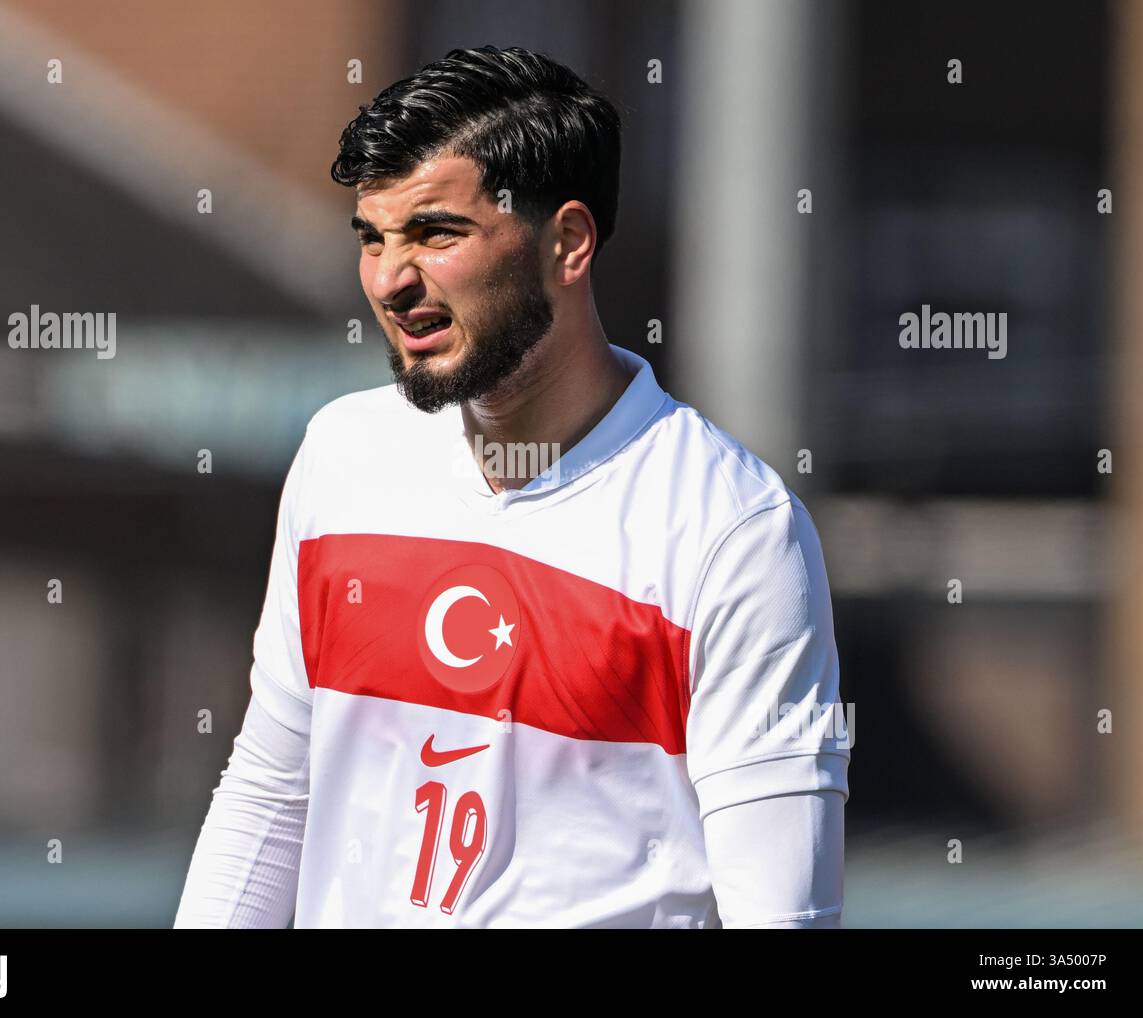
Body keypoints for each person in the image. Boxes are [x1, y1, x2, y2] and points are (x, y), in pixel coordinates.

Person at [174, 44, 849, 928]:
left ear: (567, 243)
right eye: (372, 238)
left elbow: (784, 917)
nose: (388, 281)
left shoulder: (734, 531)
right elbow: (271, 793)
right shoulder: (343, 455)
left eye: (434, 233)